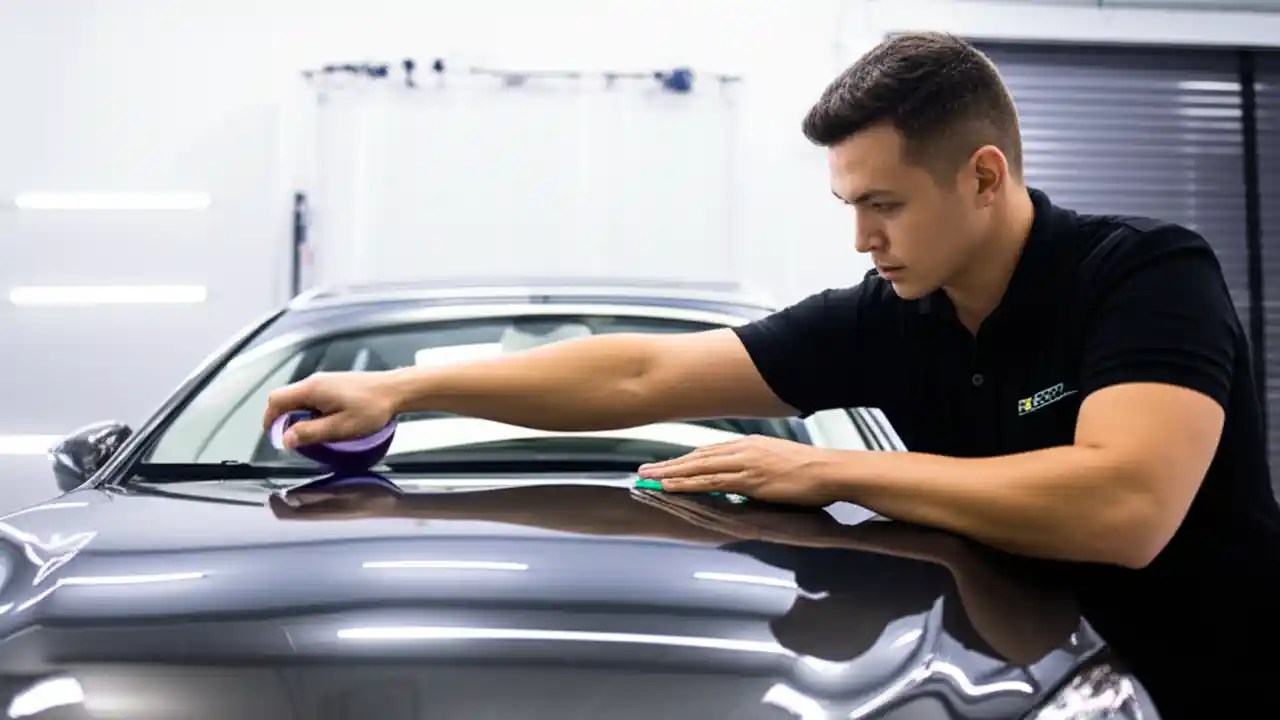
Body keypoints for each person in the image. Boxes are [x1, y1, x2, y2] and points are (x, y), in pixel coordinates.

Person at [264, 32, 1280, 707]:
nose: (860, 238)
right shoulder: (895, 316)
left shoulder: (1143, 273)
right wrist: (405, 389)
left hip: (1201, 680)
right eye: (847, 206)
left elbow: (1125, 506)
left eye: (881, 203)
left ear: (982, 178)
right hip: (1011, 686)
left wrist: (829, 471)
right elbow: (636, 378)